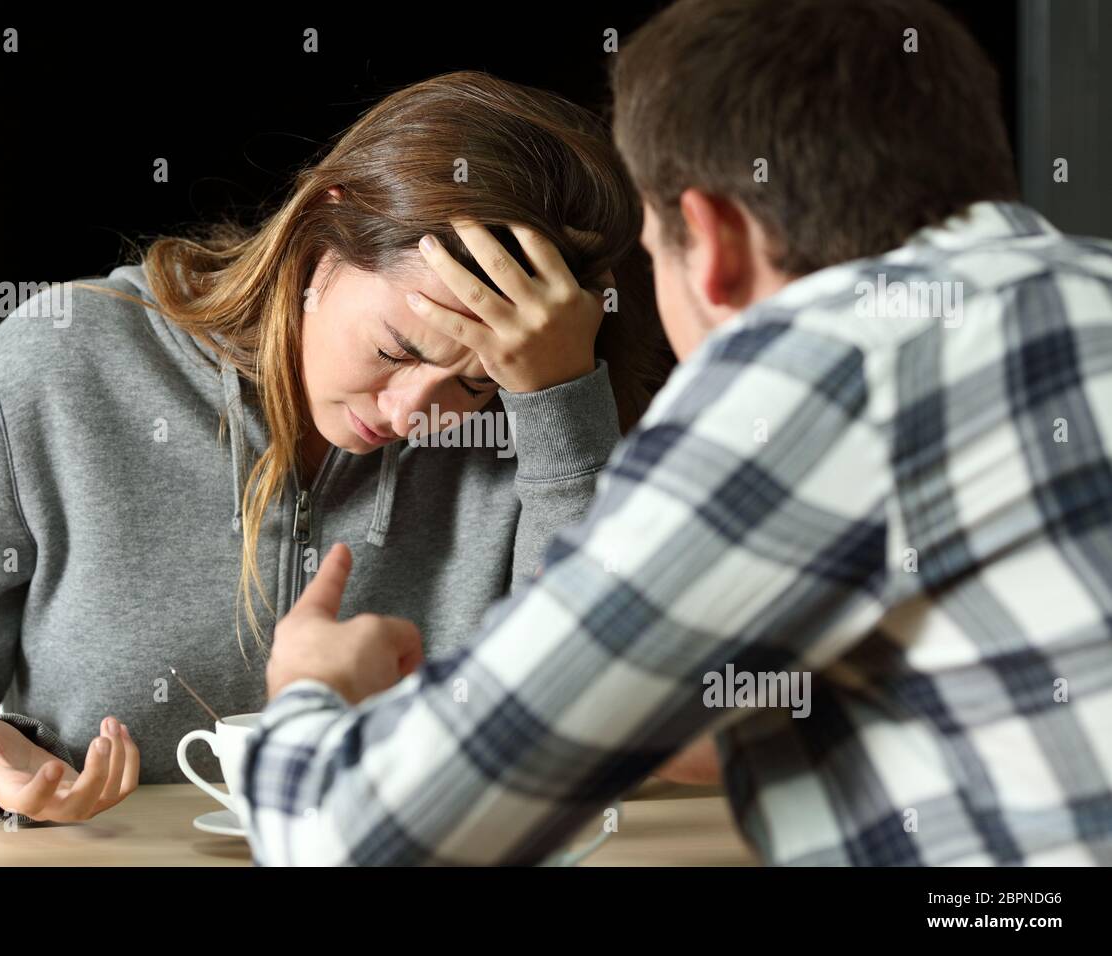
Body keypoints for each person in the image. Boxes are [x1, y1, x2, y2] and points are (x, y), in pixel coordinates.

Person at [239, 0, 1112, 865]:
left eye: (654, 255)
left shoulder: (813, 373)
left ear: (711, 238)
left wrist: (310, 687)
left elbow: (351, 839)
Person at [0, 71, 678, 825]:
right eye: (396, 349)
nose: (418, 409)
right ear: (323, 235)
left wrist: (557, 401)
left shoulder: (546, 416)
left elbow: (596, 722)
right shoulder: (62, 362)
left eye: (478, 382)